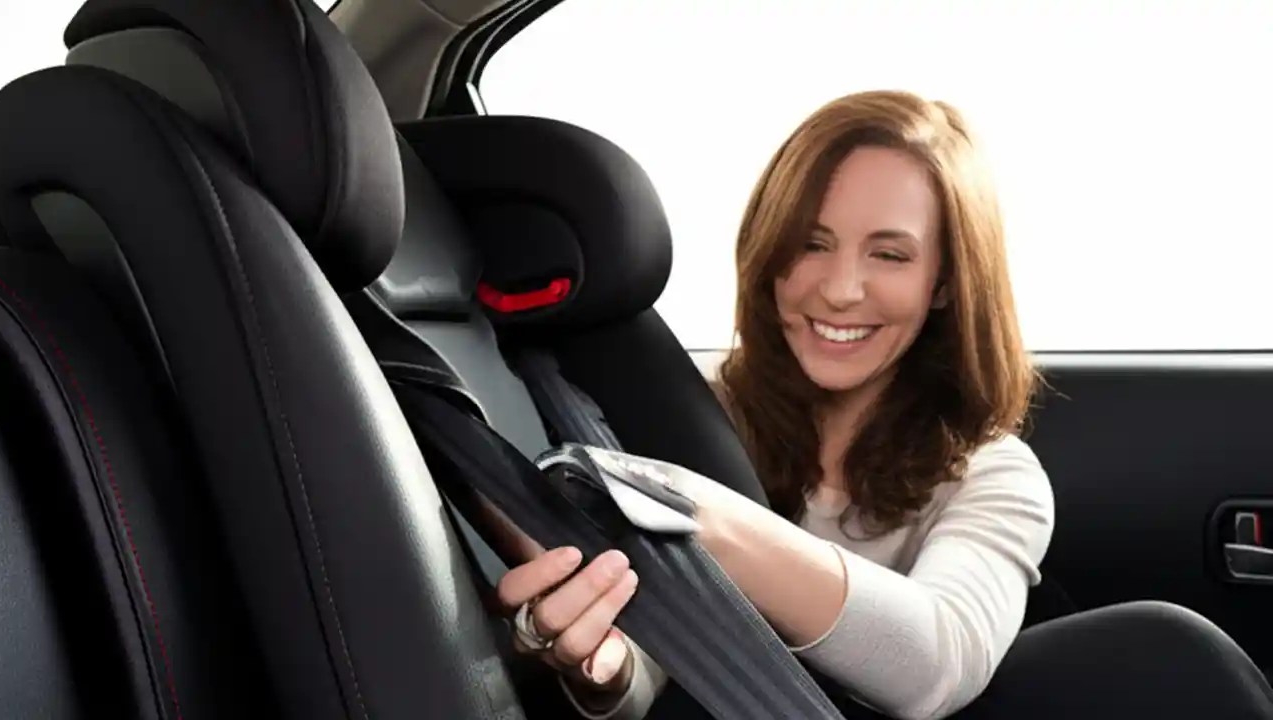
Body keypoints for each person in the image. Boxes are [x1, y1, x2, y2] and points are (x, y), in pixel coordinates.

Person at [487, 90, 1273, 720]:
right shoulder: (681, 423)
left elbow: (938, 664)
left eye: (889, 255)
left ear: (943, 285)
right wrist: (603, 670)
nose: (840, 289)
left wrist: (700, 520)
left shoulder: (991, 472)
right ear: (769, 255)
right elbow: (660, 669)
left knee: (1167, 661)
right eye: (811, 243)